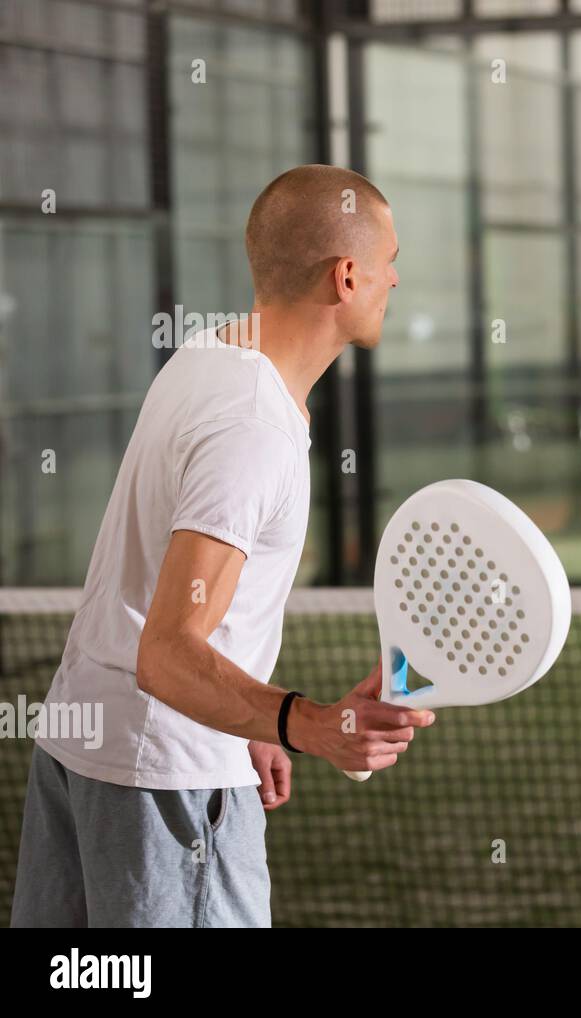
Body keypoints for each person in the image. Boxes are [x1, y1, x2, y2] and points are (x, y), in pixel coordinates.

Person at [10, 165, 435, 927]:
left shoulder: (206, 357)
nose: (394, 279)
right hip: (164, 787)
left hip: (82, 755)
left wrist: (247, 723)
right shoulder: (255, 426)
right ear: (346, 276)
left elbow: (176, 614)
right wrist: (307, 724)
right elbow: (168, 651)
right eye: (388, 260)